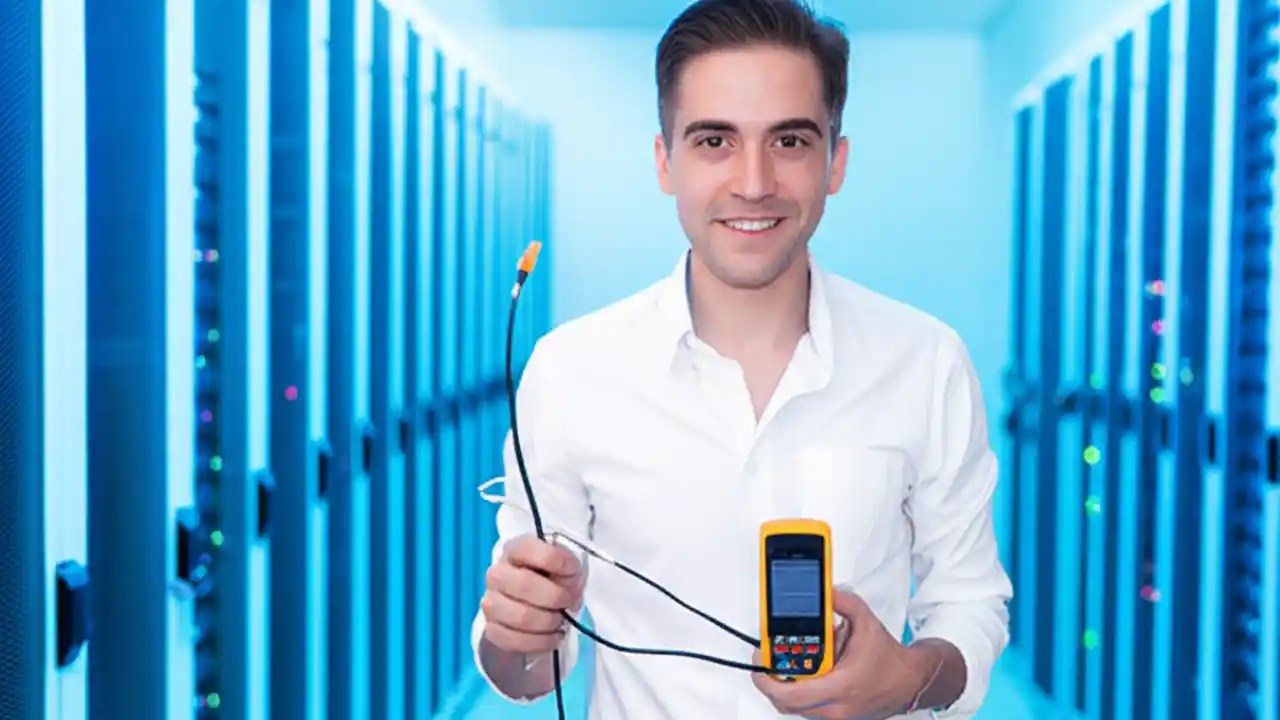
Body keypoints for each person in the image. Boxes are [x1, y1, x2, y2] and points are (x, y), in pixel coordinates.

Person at [469, 0, 1013, 717]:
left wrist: (911, 675)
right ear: (665, 162)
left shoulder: (925, 360)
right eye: (714, 141)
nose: (753, 182)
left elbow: (970, 603)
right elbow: (527, 670)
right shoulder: (569, 371)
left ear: (835, 161)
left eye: (789, 140)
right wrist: (515, 634)